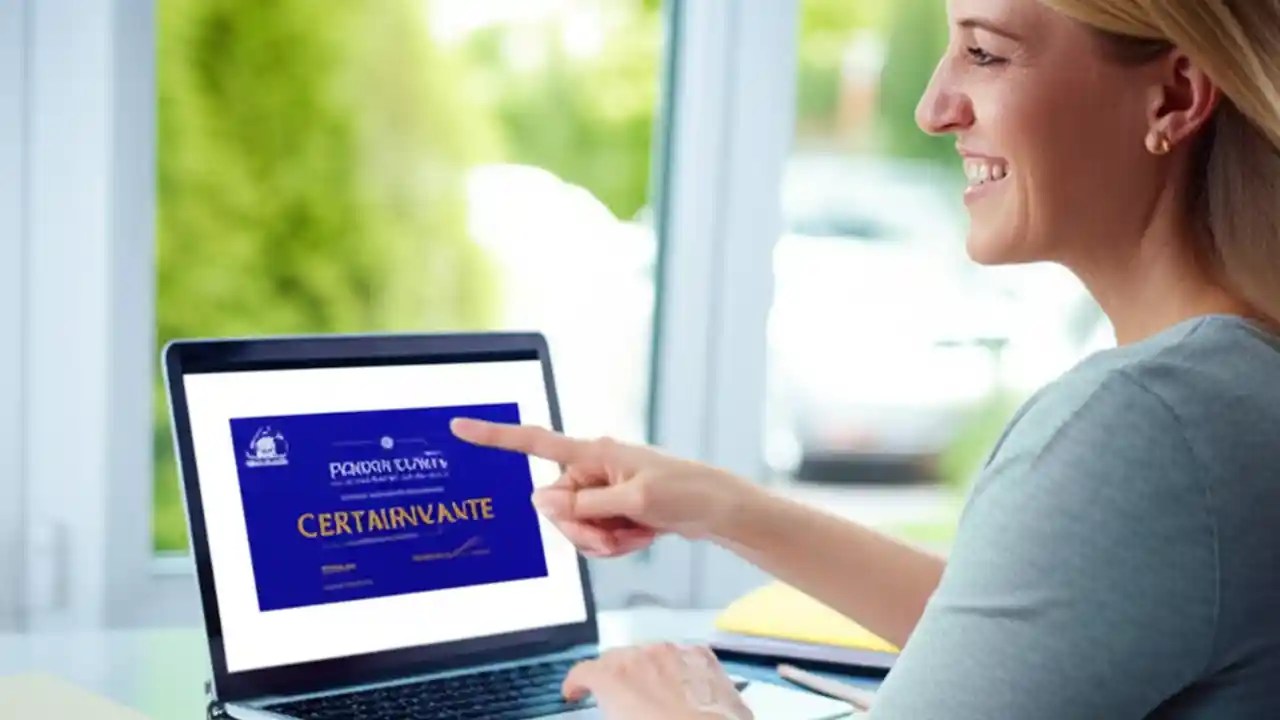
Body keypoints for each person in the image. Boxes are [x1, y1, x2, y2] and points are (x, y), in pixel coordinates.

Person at [452, 0, 1280, 717]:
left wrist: (688, 711)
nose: (933, 106)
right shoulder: (1236, 384)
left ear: (1174, 95)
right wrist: (723, 507)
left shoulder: (1146, 419)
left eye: (984, 52)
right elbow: (1046, 625)